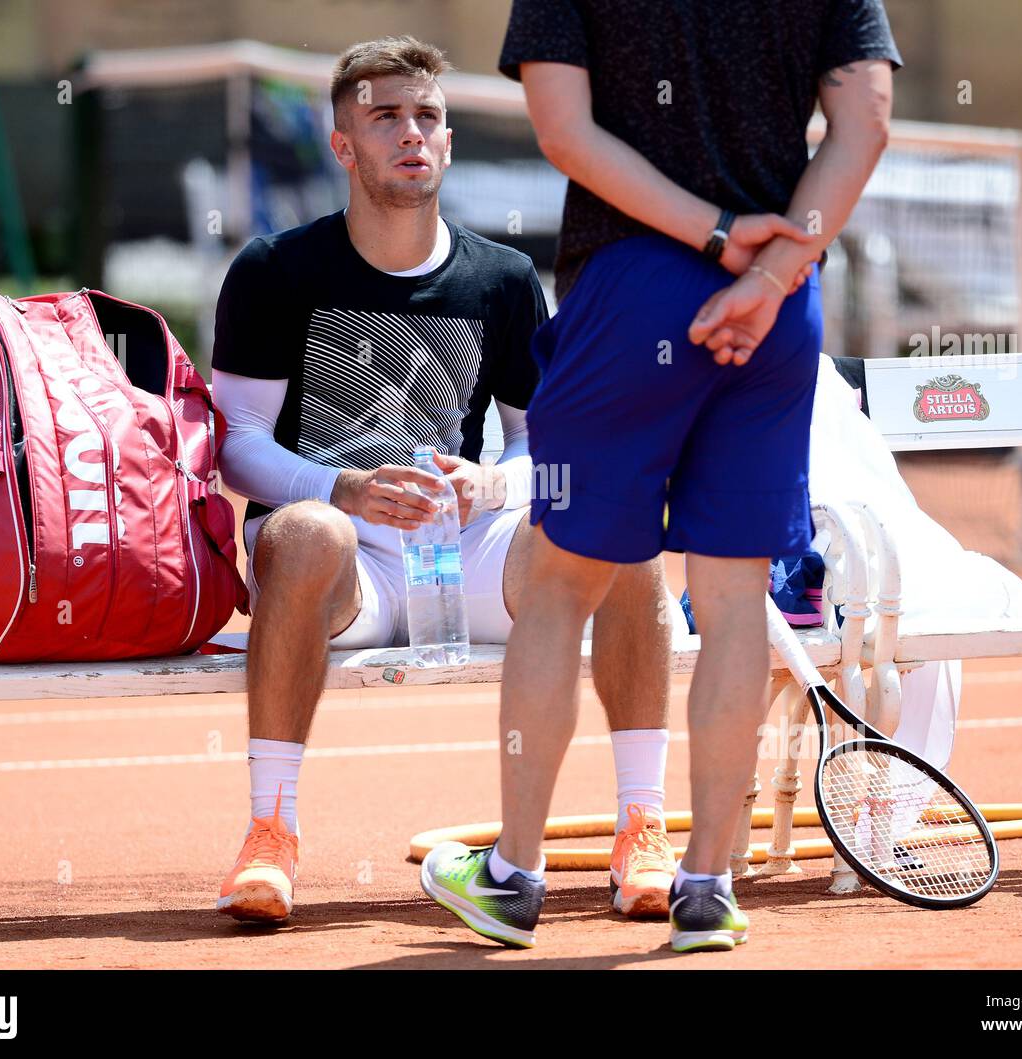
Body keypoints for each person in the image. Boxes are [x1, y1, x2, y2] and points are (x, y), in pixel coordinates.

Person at [421, 1, 900, 952]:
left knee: (560, 585)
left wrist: (720, 235)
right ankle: (707, 887)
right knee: (731, 596)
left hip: (635, 288)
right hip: (781, 305)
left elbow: (564, 130)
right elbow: (866, 126)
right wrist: (768, 276)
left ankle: (515, 879)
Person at [211, 35, 716, 925]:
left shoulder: (505, 277)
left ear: (447, 141)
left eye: (428, 117)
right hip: (341, 564)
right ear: (343, 144)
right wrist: (341, 489)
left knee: (615, 518)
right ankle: (271, 832)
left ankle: (641, 824)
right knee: (300, 531)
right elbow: (236, 441)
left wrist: (490, 486)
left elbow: (543, 445)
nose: (412, 134)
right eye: (385, 118)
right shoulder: (274, 270)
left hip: (466, 550)